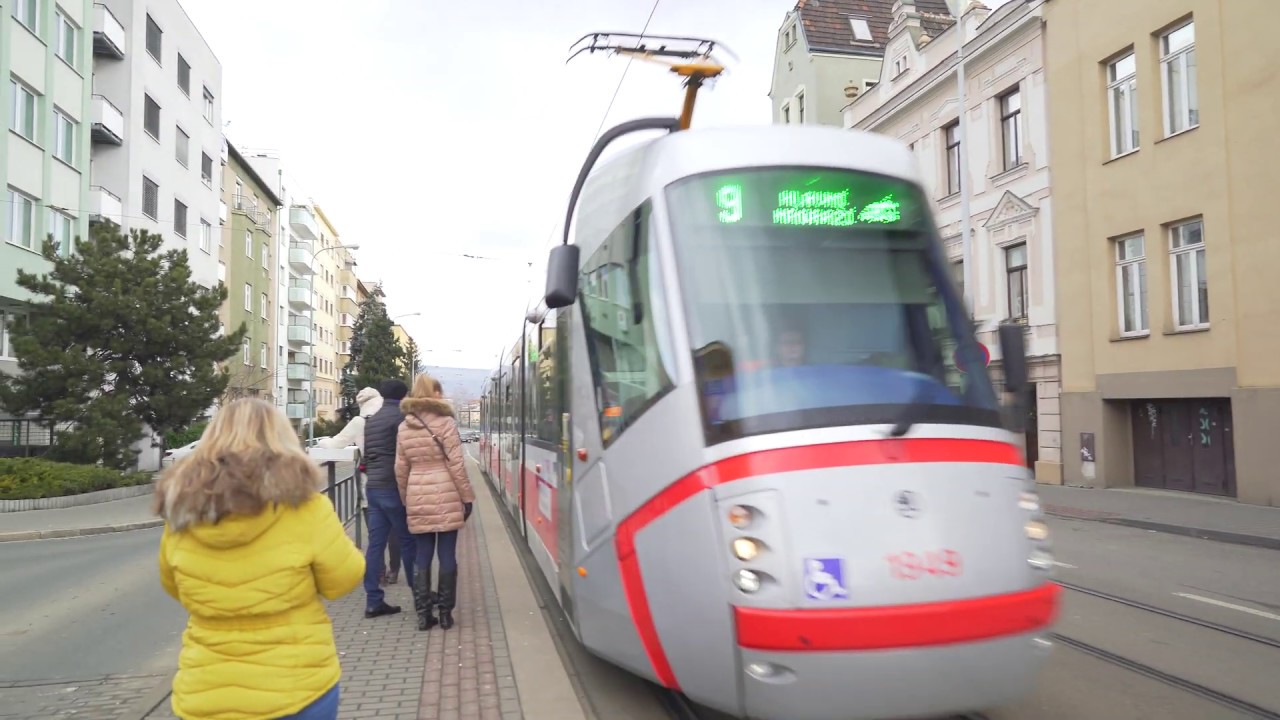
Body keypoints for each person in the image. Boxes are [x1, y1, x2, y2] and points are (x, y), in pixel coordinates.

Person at [152, 398, 365, 720]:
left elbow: (174, 586)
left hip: (205, 693)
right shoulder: (304, 506)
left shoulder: (183, 511)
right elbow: (343, 580)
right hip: (297, 686)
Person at [396, 374, 476, 631]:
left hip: (416, 492)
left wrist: (406, 497)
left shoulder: (404, 427)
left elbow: (400, 468)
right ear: (432, 393)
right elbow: (457, 465)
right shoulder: (446, 423)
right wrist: (467, 497)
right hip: (447, 491)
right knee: (447, 555)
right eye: (439, 391)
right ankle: (445, 613)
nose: (441, 395)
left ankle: (422, 615)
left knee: (422, 555)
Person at [316, 387, 403, 585]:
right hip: (395, 481)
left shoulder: (359, 422)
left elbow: (335, 444)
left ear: (361, 404)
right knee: (395, 531)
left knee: (375, 533)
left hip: (369, 483)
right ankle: (395, 570)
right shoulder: (394, 418)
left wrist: (322, 441)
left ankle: (378, 573)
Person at [360, 378, 418, 618]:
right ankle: (420, 596)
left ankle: (373, 601)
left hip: (373, 488)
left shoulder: (371, 421)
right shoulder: (402, 420)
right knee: (407, 542)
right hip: (393, 487)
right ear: (404, 396)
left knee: (375, 545)